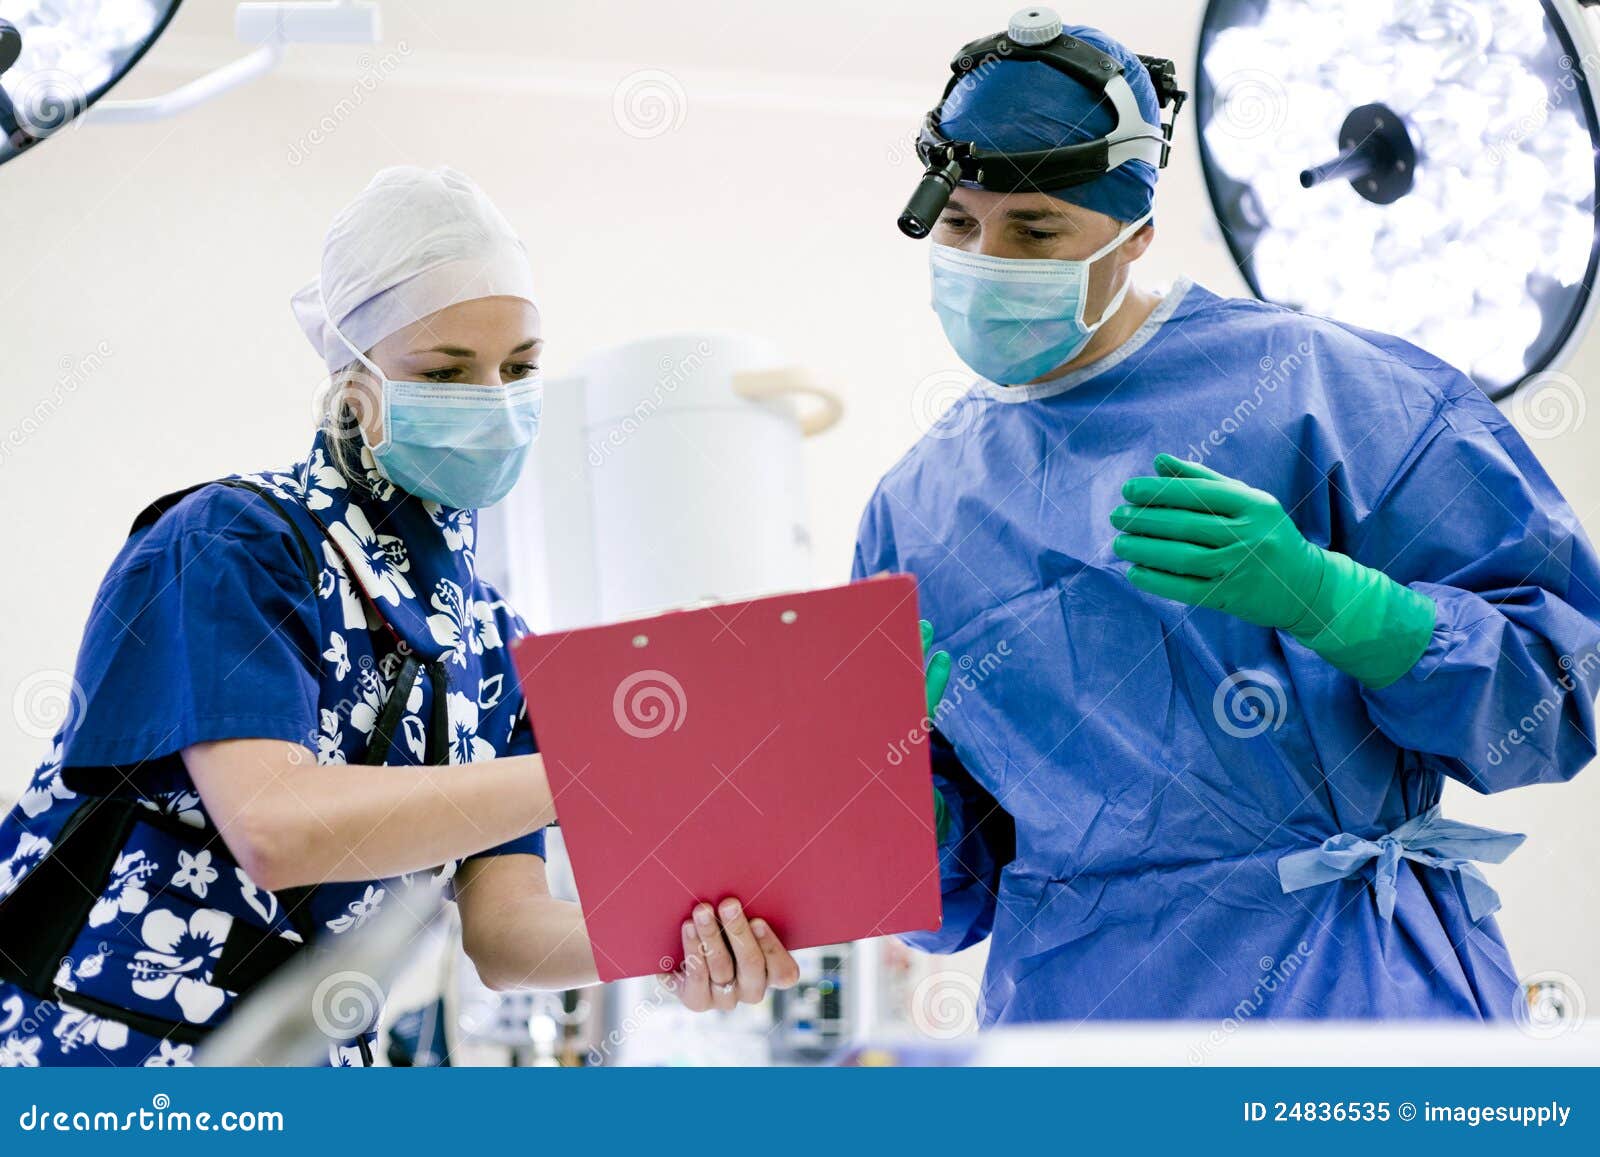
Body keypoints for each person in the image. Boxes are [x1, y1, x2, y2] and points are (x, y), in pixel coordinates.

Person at [860, 19, 1600, 1025]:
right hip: (1074, 1027)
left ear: (1133, 238)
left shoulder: (1327, 387)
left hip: (1347, 991)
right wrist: (896, 786)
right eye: (956, 225)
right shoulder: (912, 512)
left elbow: (1556, 699)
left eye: (1033, 232)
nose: (987, 259)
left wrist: (1343, 603)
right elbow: (949, 899)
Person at [0, 166, 797, 1068]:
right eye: (446, 371)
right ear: (357, 385)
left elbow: (506, 933)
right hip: (96, 1050)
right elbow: (277, 826)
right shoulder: (235, 544)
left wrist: (674, 942)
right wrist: (608, 762)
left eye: (521, 367)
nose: (496, 399)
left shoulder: (496, 644)